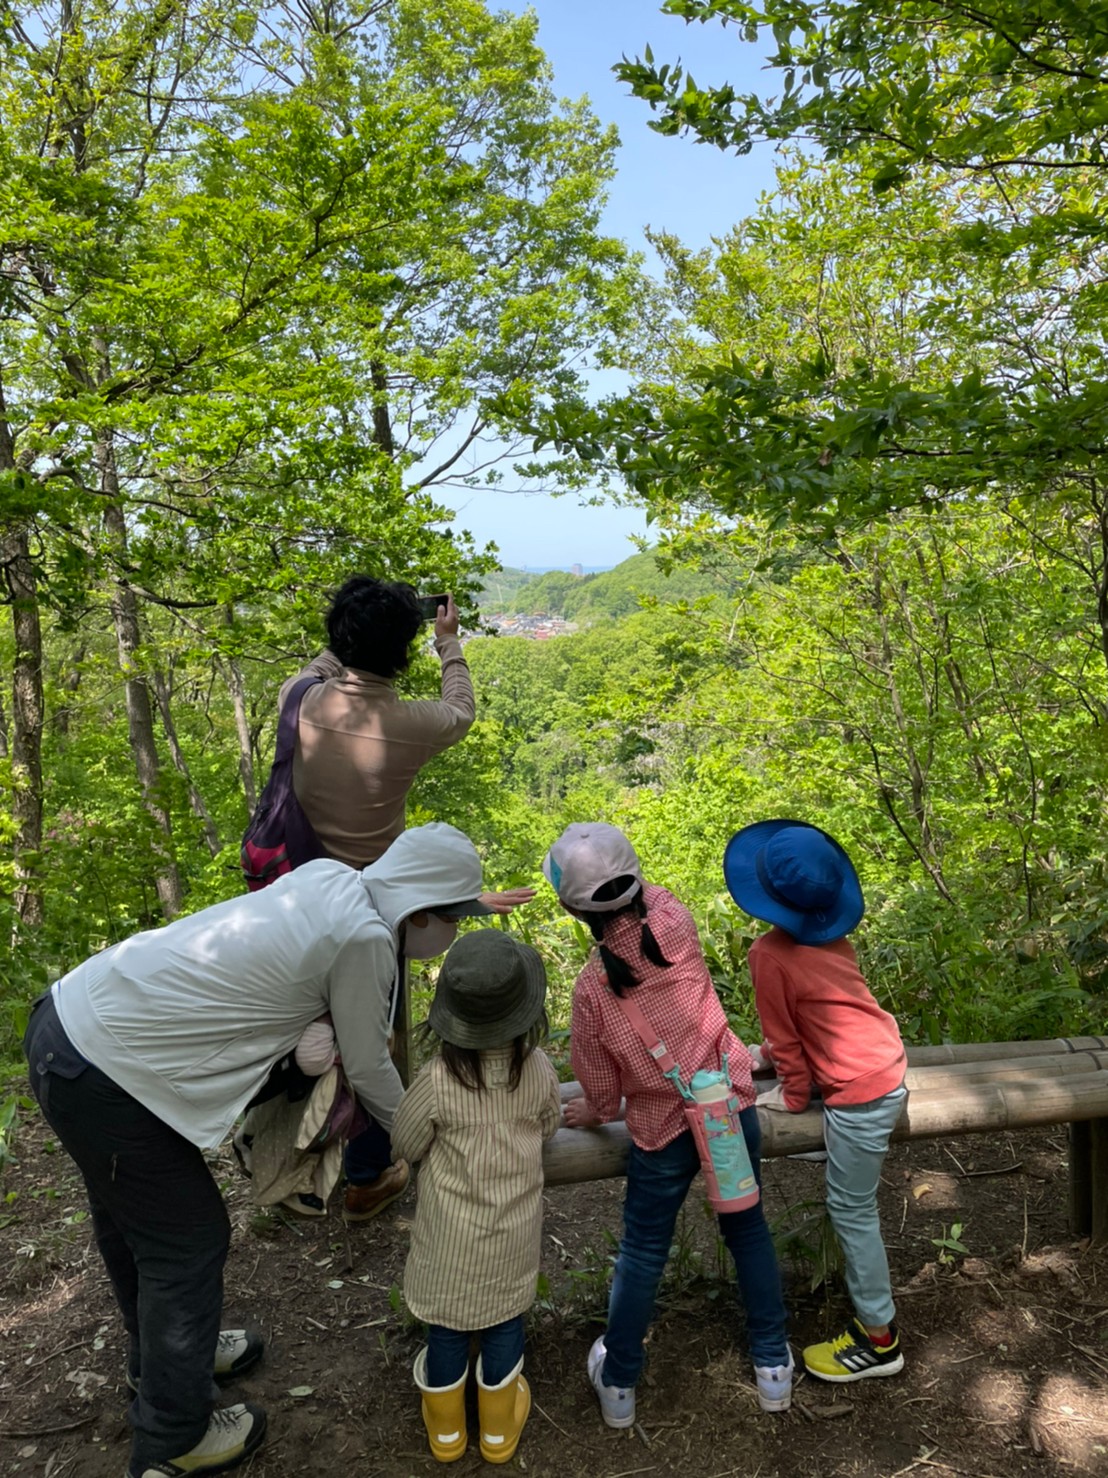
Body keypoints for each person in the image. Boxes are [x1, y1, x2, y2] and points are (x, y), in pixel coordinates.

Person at [23, 822, 493, 1478]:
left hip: (69, 1025)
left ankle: (164, 1365)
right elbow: (370, 1065)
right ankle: (172, 1438)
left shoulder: (335, 879)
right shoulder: (364, 938)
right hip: (105, 1071)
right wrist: (431, 1138)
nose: (454, 931)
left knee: (134, 1224)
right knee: (186, 1241)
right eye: (455, 918)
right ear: (423, 912)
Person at [279, 575, 532, 1220]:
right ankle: (366, 1174)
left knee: (302, 1024)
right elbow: (462, 710)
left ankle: (292, 1159)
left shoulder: (298, 699)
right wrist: (448, 646)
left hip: (294, 895)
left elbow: (323, 666)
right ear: (404, 650)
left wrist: (353, 634)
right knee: (373, 1039)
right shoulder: (410, 723)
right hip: (374, 904)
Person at [549, 822, 792, 1428]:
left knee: (643, 1251)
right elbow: (643, 893)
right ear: (638, 883)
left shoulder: (592, 990)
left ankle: (621, 1382)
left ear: (569, 908)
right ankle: (772, 1370)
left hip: (659, 1133)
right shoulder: (674, 921)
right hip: (726, 1112)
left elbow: (601, 1089)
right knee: (749, 1234)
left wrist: (596, 1112)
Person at [723, 818, 908, 1384]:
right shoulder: (835, 937)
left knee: (852, 1209)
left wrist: (792, 1095)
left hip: (859, 1093)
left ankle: (880, 1339)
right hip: (886, 1062)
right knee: (849, 1184)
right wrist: (779, 1062)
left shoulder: (768, 954)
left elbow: (788, 1037)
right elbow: (821, 1018)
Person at [391, 931, 560, 1465]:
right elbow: (551, 1124)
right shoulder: (539, 1071)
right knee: (506, 1322)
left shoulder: (438, 1079)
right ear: (525, 1012)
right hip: (513, 1235)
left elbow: (405, 1142)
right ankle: (496, 1433)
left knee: (444, 1326)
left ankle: (445, 1437)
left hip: (449, 1241)